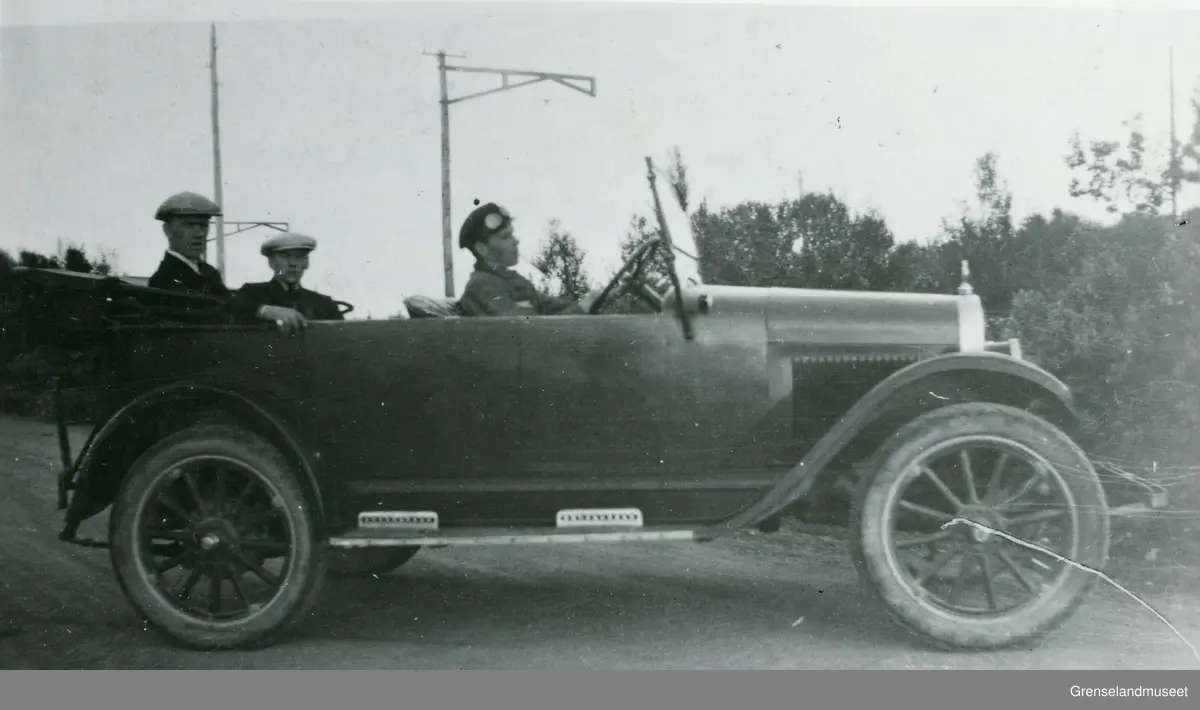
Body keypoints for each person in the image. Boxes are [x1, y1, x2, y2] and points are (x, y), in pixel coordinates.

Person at [145, 191, 306, 332]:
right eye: (189, 225)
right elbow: (208, 312)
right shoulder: (164, 279)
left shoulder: (208, 271)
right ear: (167, 230)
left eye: (203, 226)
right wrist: (263, 311)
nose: (198, 233)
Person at [456, 202, 602, 317]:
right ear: (482, 249)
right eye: (505, 237)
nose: (516, 241)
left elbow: (553, 306)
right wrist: (581, 309)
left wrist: (593, 301)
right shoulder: (482, 286)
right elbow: (530, 333)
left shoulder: (514, 281)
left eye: (512, 235)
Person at [237, 232, 344, 321]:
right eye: (284, 256)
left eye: (299, 257)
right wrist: (264, 311)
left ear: (307, 263)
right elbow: (229, 310)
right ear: (271, 262)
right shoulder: (250, 294)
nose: (293, 263)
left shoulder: (324, 304)